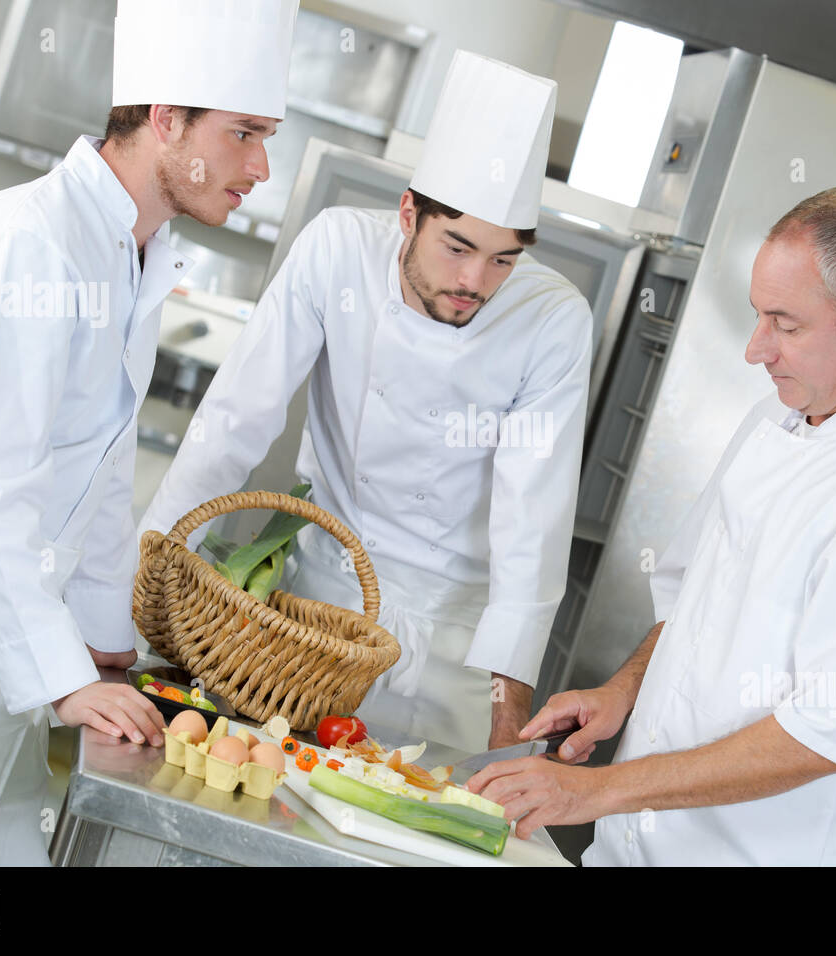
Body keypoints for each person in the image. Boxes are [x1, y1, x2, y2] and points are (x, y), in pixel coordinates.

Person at [0, 0, 300, 865]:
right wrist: (65, 679)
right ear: (168, 120)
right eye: (245, 134)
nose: (262, 166)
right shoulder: (28, 239)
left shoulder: (131, 252)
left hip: (1, 644)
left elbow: (100, 469)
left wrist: (106, 645)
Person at [468, 187, 836, 865]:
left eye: (786, 324)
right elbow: (693, 603)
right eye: (757, 316)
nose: (756, 350)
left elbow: (824, 735)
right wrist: (622, 692)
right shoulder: (775, 422)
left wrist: (597, 792)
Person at [139, 51, 593, 754]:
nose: (475, 280)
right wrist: (148, 576)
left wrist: (509, 727)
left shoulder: (554, 318)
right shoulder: (338, 251)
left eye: (505, 258)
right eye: (458, 247)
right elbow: (234, 421)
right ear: (409, 214)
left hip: (455, 654)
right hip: (310, 630)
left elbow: (534, 522)